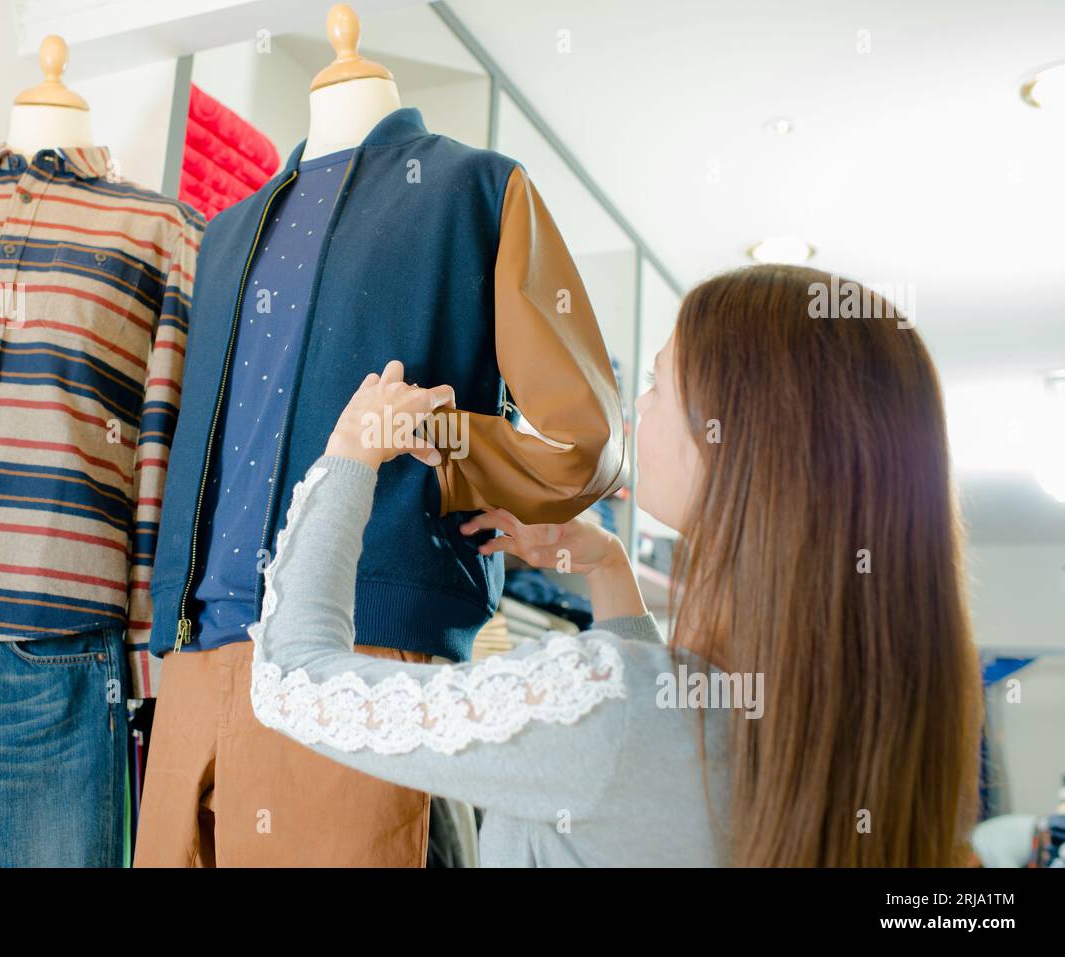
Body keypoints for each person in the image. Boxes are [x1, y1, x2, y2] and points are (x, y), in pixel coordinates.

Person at [248, 263, 984, 867]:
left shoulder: (607, 709)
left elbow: (290, 679)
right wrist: (606, 568)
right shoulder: (845, 727)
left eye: (661, 382)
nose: (637, 406)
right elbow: (649, 767)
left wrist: (348, 455)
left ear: (740, 439)